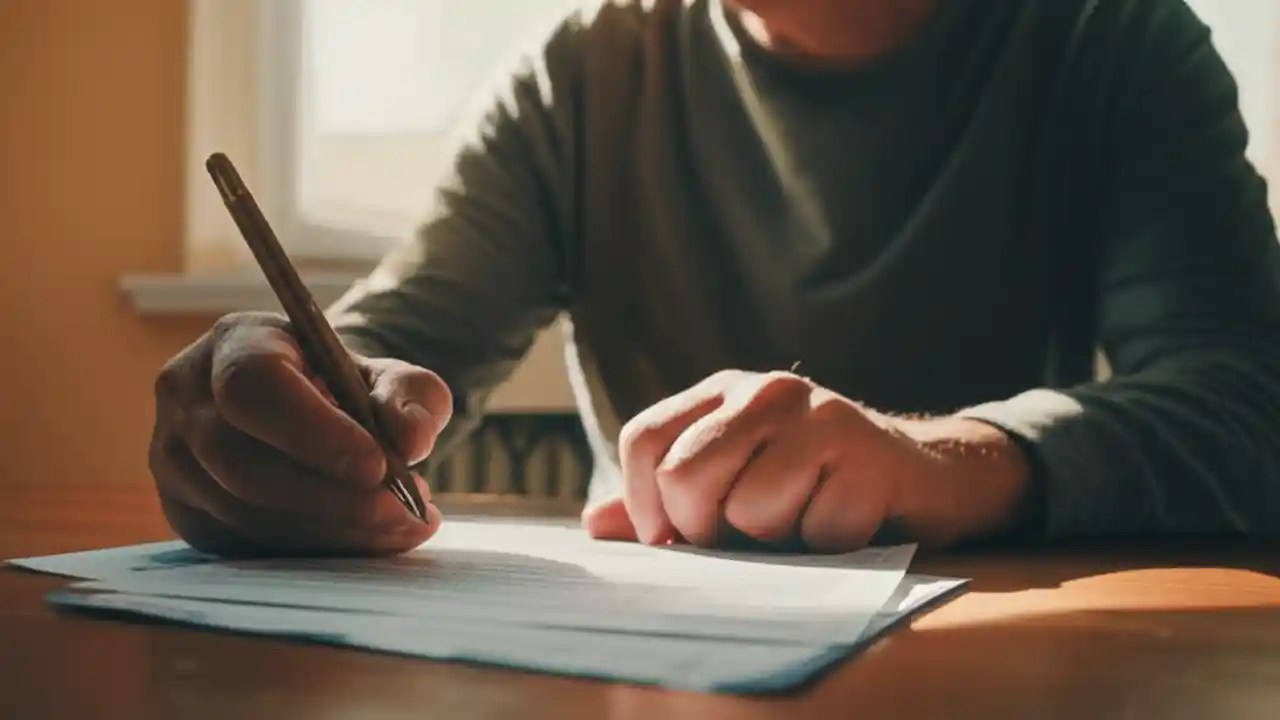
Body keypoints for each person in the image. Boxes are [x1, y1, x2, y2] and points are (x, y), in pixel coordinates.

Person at [149, 0, 1280, 557]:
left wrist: (927, 461)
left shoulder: (1111, 40)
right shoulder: (585, 71)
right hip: (646, 674)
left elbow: (1243, 401)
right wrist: (273, 411)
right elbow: (396, 352)